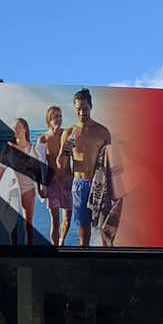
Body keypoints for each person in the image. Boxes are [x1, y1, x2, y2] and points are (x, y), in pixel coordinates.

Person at [65, 87, 112, 248]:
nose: (81, 113)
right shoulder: (70, 132)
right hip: (80, 185)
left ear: (90, 106)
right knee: (84, 235)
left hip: (100, 186)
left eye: (84, 109)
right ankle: (85, 264)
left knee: (105, 231)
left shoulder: (103, 132)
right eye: (78, 109)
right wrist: (65, 151)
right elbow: (60, 165)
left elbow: (110, 164)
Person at [0, 118, 44, 244]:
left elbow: (37, 172)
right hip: (13, 189)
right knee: (12, 225)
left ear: (25, 128)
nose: (16, 129)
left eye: (18, 126)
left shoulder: (32, 148)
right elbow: (1, 168)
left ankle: (28, 252)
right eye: (14, 127)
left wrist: (40, 189)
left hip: (28, 189)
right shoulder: (9, 147)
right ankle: (14, 252)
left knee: (29, 225)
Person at [40, 105, 72, 246]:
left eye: (60, 116)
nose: (58, 119)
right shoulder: (43, 138)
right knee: (55, 219)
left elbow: (77, 156)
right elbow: (39, 164)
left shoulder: (68, 135)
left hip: (67, 180)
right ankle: (56, 247)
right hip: (52, 182)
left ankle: (62, 241)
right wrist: (41, 186)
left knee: (68, 218)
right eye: (55, 117)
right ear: (49, 120)